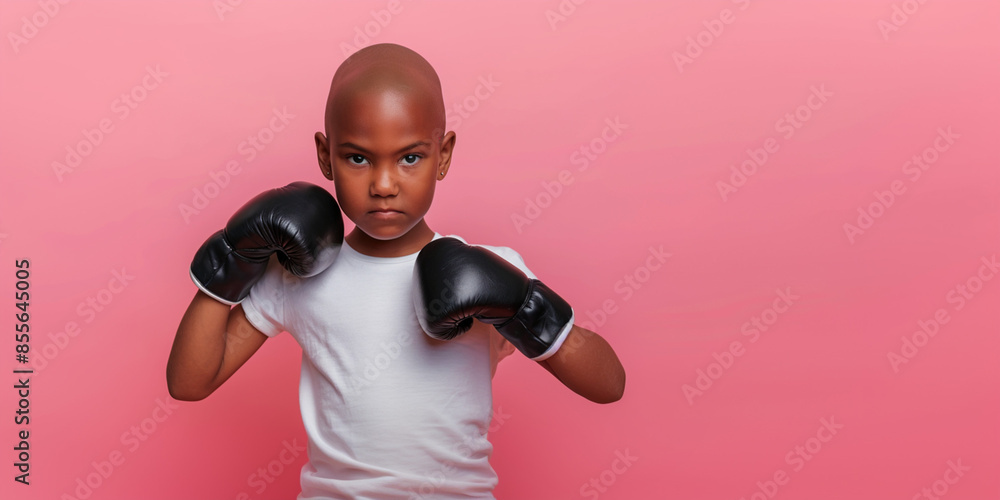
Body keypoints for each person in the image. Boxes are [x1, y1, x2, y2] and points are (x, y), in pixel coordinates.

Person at [167, 42, 626, 500]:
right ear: (325, 157)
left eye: (410, 158)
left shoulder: (492, 269)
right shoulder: (297, 275)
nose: (383, 185)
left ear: (442, 155)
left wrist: (525, 306)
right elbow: (189, 382)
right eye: (358, 157)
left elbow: (608, 385)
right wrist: (233, 258)